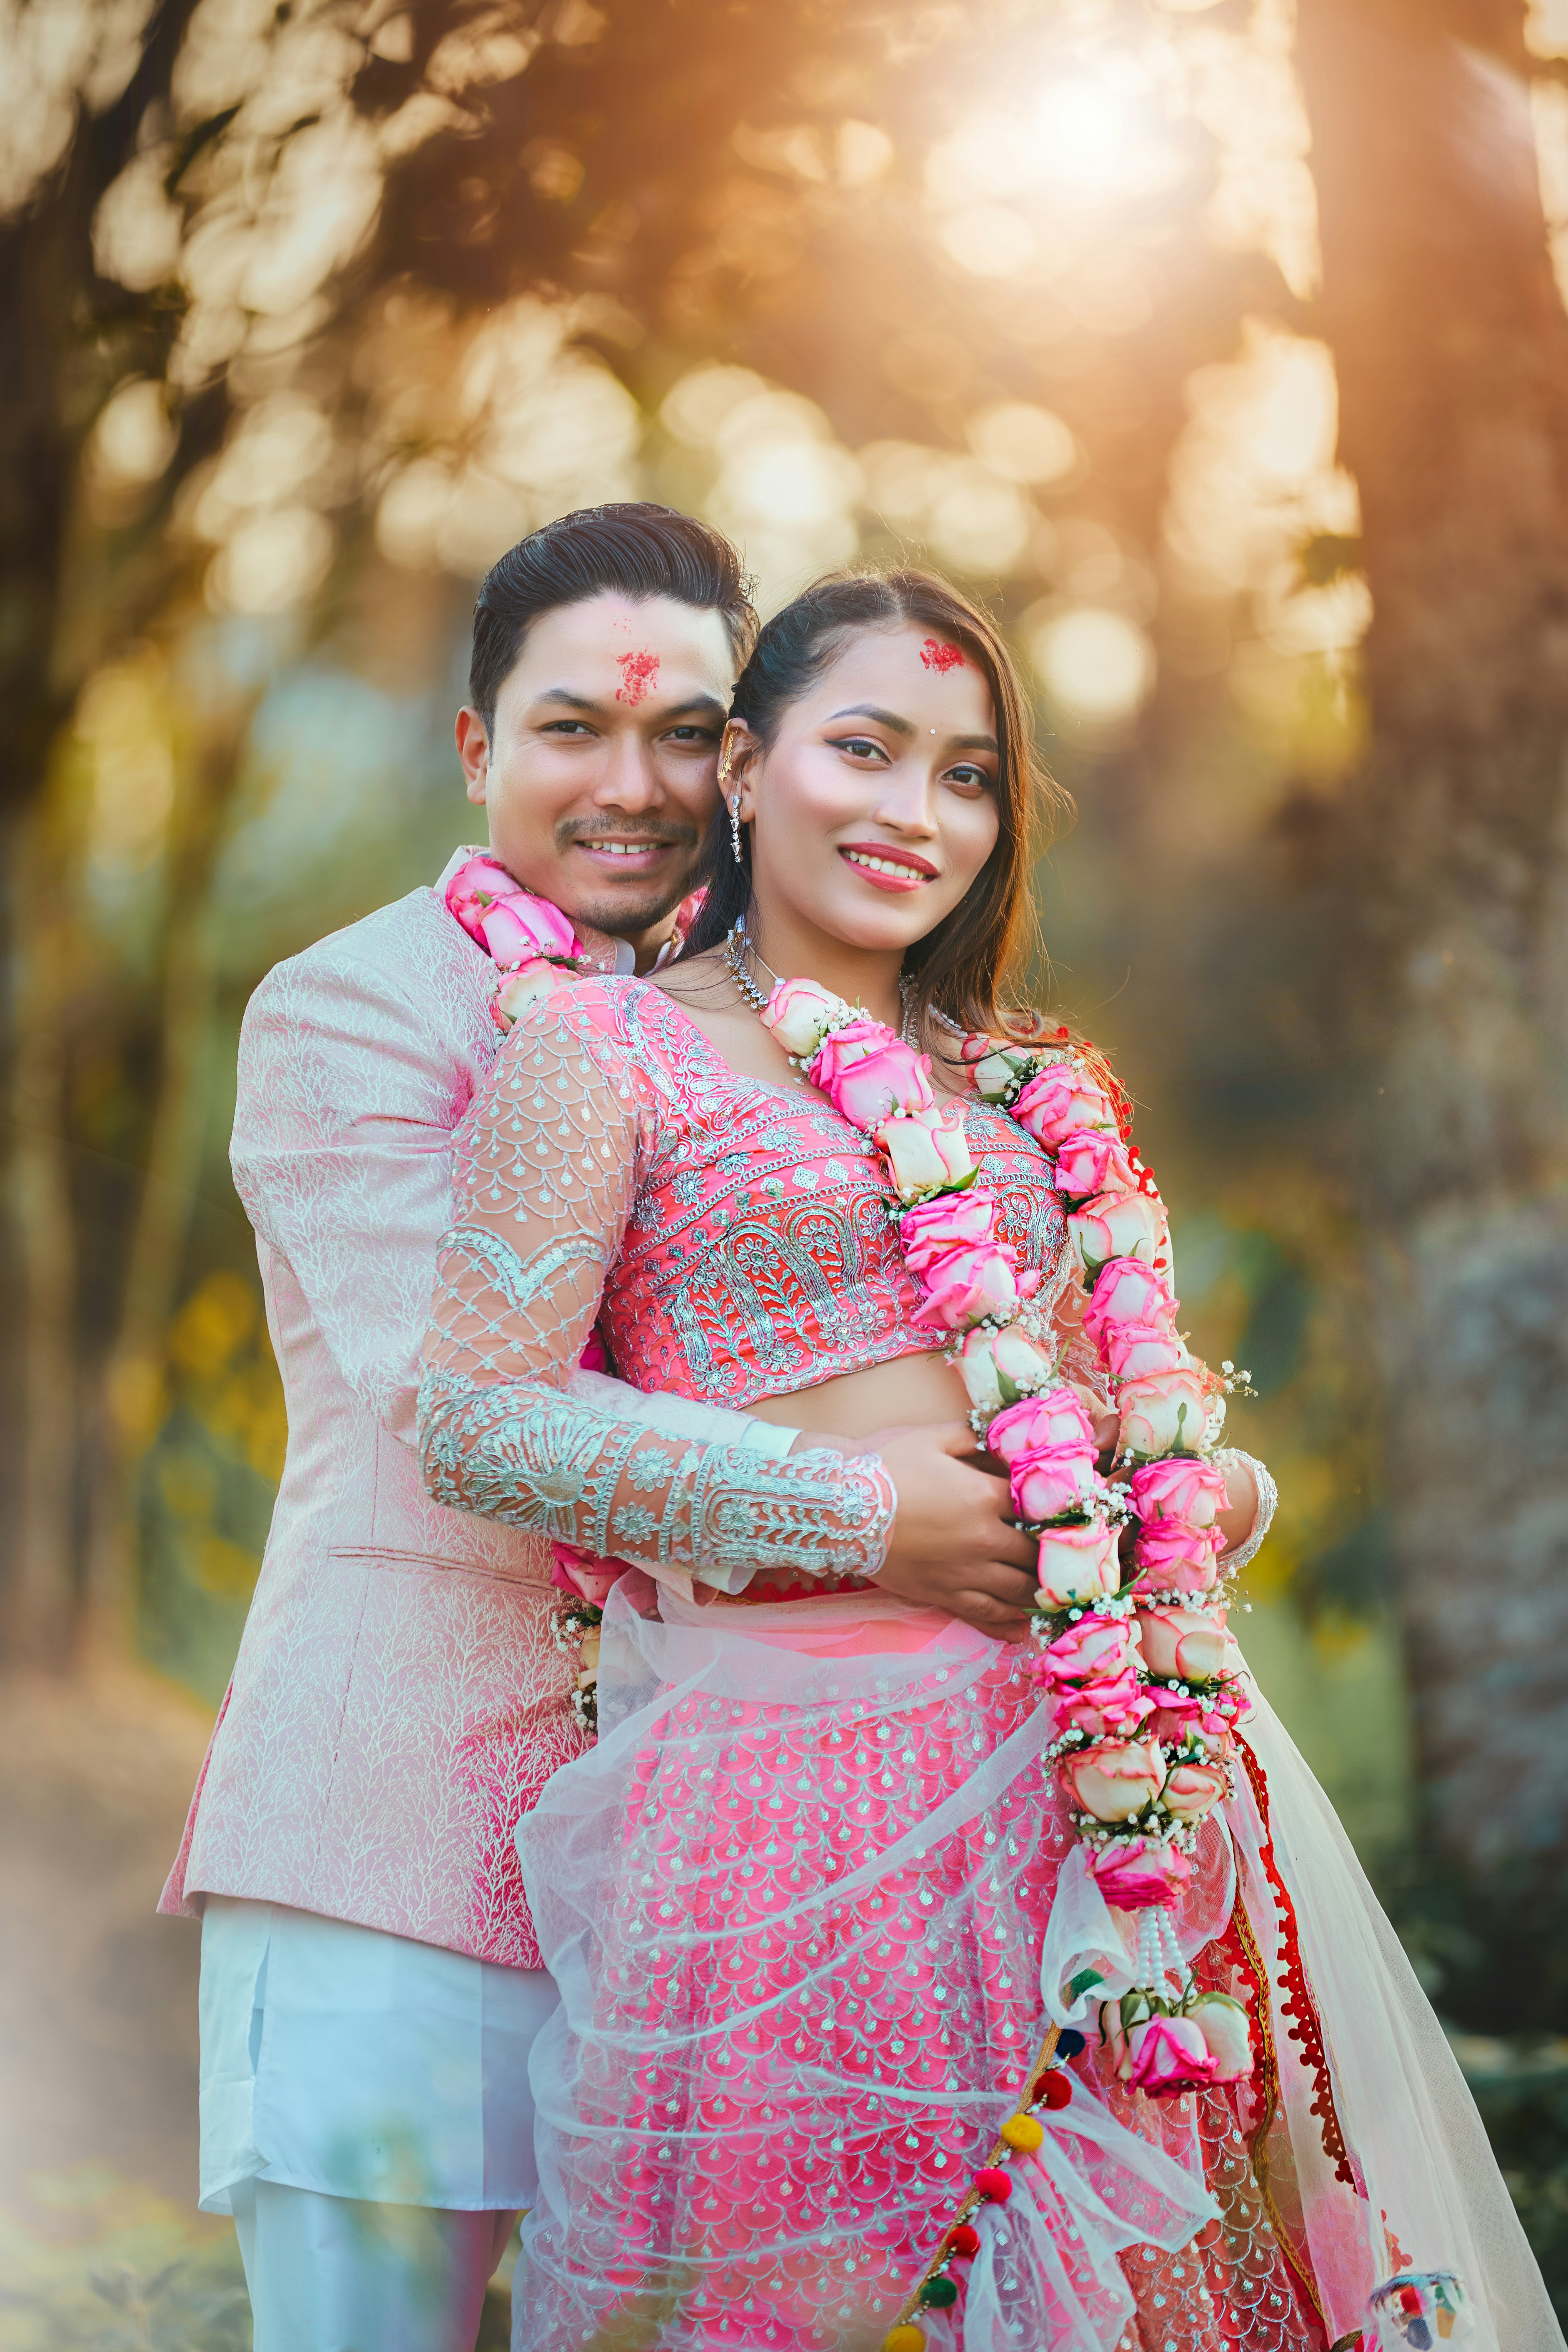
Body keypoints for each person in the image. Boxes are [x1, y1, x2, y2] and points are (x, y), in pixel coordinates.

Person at [418, 569, 1560, 2352]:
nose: (913, 813)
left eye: (965, 777)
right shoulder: (604, 1047)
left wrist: (1208, 1499)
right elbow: (478, 1415)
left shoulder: (1031, 1090)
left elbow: (1138, 1416)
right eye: (862, 750)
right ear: (739, 761)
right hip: (784, 1810)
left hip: (1089, 1784)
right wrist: (869, 1517)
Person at [156, 504, 1040, 2352]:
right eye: (572, 727)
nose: (627, 786)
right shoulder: (354, 1013)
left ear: (738, 755)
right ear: (478, 747)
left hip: (721, 1875)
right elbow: (461, 1398)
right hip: (396, 1840)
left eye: (675, 733)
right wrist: (861, 1510)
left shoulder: (786, 1039)